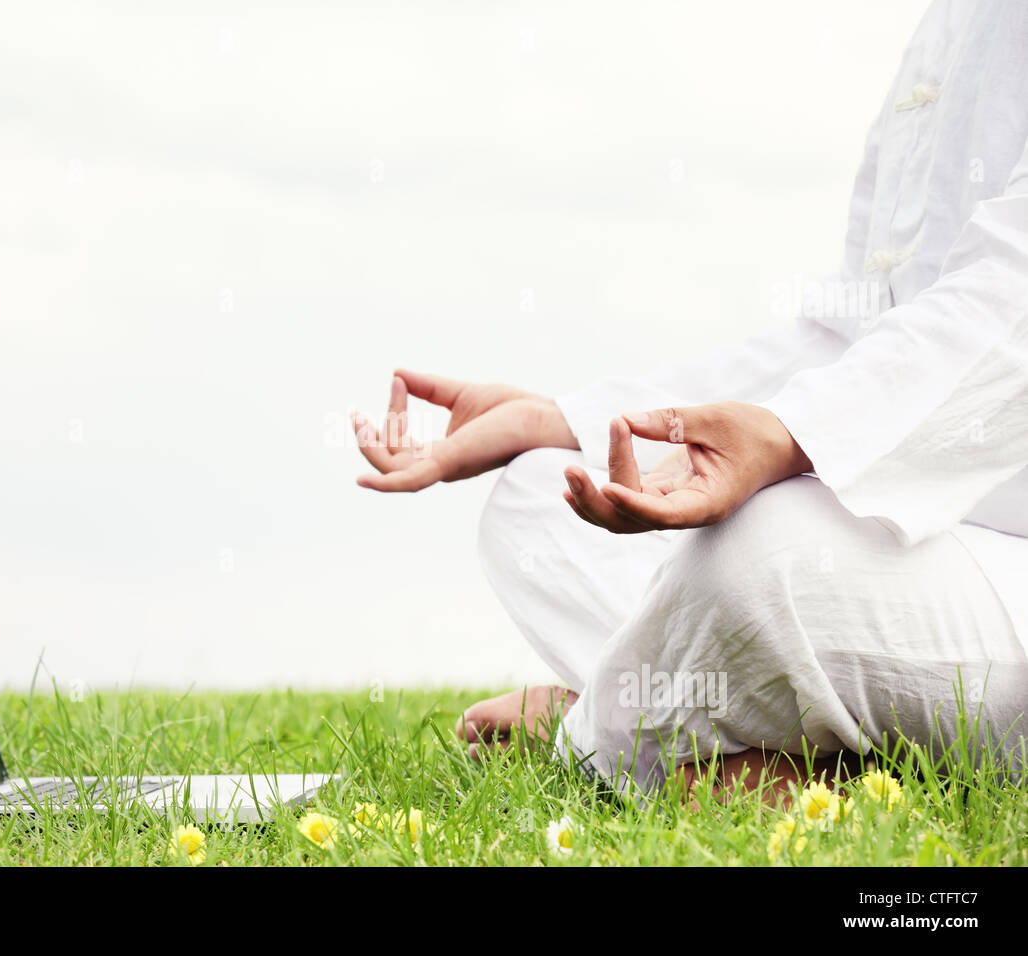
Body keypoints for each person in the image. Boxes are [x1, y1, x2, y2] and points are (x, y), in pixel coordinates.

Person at [351, 0, 1028, 797]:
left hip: (1004, 563)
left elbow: (1009, 299)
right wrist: (563, 420)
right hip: (922, 554)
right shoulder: (944, 26)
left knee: (758, 552)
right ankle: (769, 757)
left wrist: (787, 435)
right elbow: (847, 334)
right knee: (539, 494)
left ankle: (591, 742)